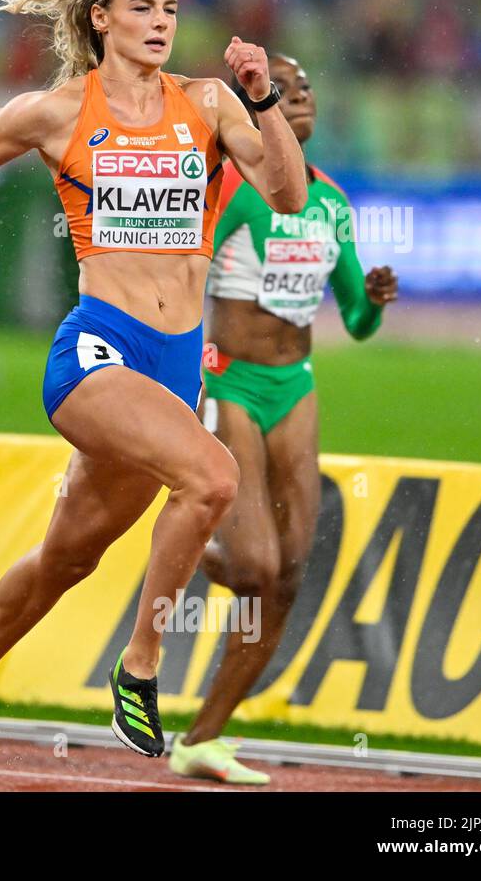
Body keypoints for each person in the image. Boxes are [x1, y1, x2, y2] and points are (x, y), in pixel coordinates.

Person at [0, 0, 308, 768]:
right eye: (141, 7)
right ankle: (139, 667)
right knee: (211, 479)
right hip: (97, 351)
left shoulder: (208, 103)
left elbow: (288, 193)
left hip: (170, 367)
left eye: (170, 9)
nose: (161, 23)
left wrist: (264, 97)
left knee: (68, 558)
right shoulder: (57, 112)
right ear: (100, 19)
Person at [171, 53, 399, 784]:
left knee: (290, 575)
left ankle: (201, 738)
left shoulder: (330, 203)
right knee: (256, 566)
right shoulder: (235, 188)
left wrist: (376, 300)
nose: (298, 97)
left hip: (293, 383)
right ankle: (197, 540)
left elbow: (356, 321)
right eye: (285, 88)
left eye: (307, 89)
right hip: (231, 381)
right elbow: (181, 279)